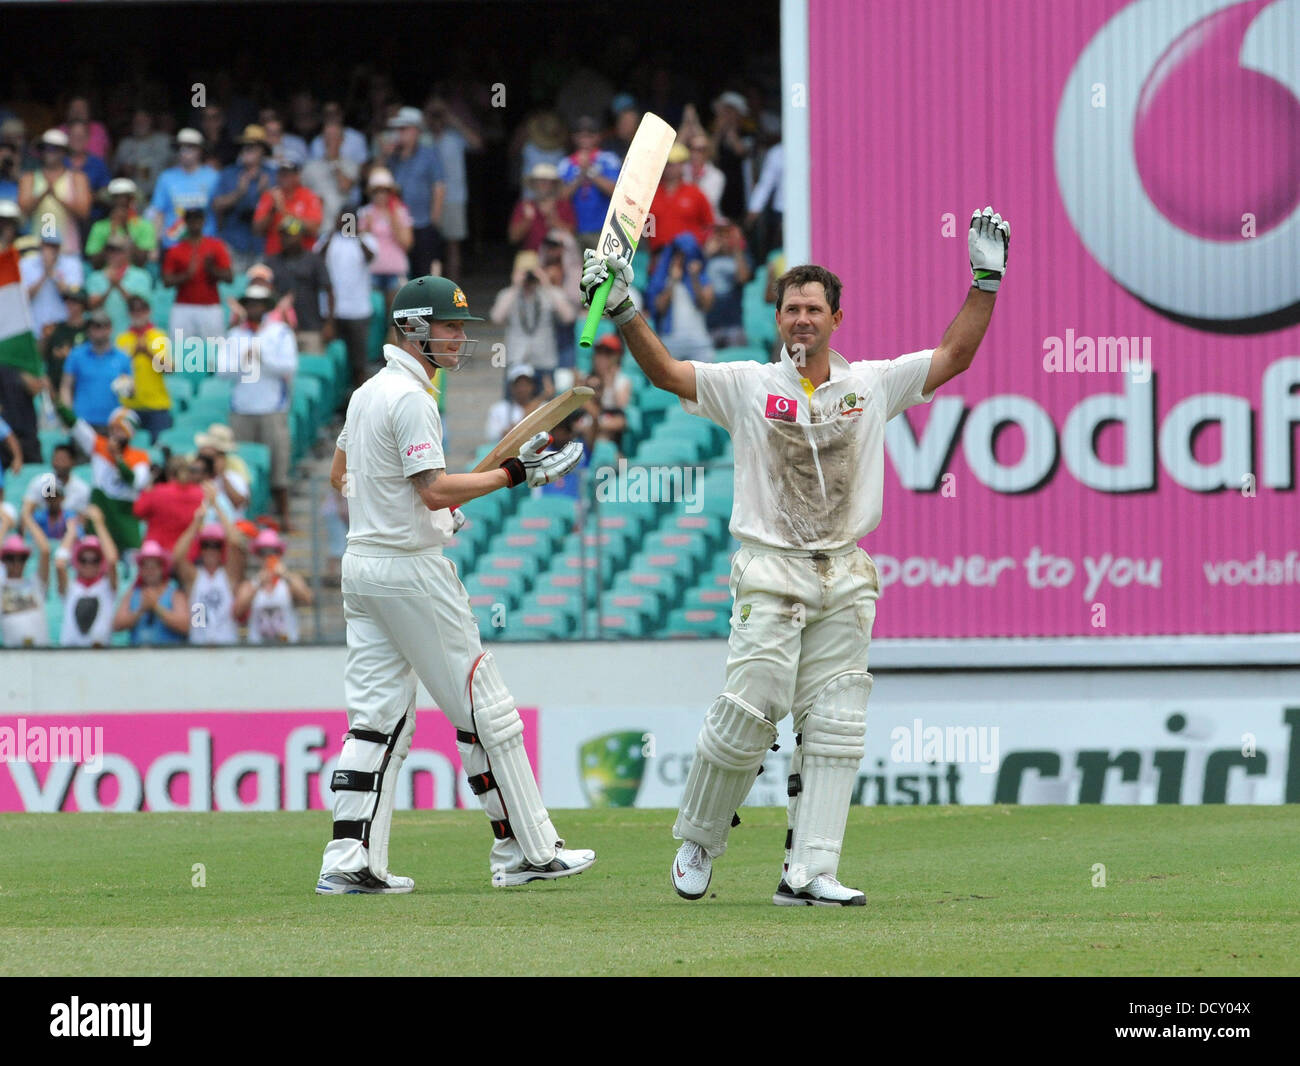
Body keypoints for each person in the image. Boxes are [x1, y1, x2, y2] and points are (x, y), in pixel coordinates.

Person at [580, 206, 1010, 905]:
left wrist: (985, 282)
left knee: (836, 725)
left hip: (844, 569)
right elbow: (664, 374)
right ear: (777, 318)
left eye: (813, 308)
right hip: (769, 565)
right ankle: (700, 837)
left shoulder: (871, 384)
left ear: (837, 318)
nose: (801, 319)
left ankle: (809, 871)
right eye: (791, 309)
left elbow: (954, 356)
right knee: (752, 707)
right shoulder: (749, 386)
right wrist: (625, 305)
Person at [317, 273, 593, 894]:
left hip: (361, 567)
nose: (459, 339)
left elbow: (343, 476)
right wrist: (512, 476)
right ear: (414, 328)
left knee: (377, 718)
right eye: (449, 327)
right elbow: (433, 485)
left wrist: (423, 511)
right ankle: (527, 850)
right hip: (411, 571)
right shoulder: (412, 398)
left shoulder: (366, 394)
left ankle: (348, 860)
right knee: (484, 706)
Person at [219, 283, 296, 530]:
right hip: (242, 409)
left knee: (278, 467)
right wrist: (244, 361)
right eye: (250, 303)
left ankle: (284, 518)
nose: (254, 308)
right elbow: (222, 372)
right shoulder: (234, 335)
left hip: (272, 408)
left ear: (266, 306)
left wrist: (262, 357)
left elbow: (289, 367)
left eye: (258, 303)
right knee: (242, 468)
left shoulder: (281, 331)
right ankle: (244, 521)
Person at [54, 402, 151, 554]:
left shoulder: (140, 457)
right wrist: (57, 402)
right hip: (100, 517)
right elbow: (76, 425)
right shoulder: (98, 445)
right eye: (114, 428)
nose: (116, 433)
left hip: (125, 521)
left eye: (121, 429)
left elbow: (136, 482)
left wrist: (118, 459)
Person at [489, 250, 574, 387]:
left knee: (546, 406)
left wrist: (546, 284)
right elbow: (496, 317)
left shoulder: (550, 293)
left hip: (544, 361)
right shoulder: (508, 294)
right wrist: (515, 287)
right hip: (516, 360)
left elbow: (568, 317)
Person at [172, 493, 244, 645]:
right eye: (206, 546)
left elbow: (235, 542)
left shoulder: (228, 576)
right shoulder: (195, 577)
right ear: (201, 550)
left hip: (226, 646)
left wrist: (217, 507)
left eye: (216, 546)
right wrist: (196, 523)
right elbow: (177, 556)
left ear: (221, 551)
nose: (210, 551)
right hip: (198, 648)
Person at [317, 208, 377, 390]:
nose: (346, 222)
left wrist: (356, 235)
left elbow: (370, 257)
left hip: (358, 311)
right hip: (331, 312)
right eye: (343, 219)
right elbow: (317, 258)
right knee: (335, 362)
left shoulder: (366, 240)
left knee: (358, 362)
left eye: (349, 219)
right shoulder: (328, 240)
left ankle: (361, 401)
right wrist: (332, 232)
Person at [423, 96, 480, 281]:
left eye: (440, 115)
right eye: (434, 115)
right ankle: (431, 286)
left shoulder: (455, 137)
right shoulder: (424, 138)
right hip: (427, 199)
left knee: (452, 245)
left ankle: (453, 288)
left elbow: (478, 144)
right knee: (429, 245)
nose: (437, 119)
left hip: (454, 197)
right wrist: (426, 118)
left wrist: (454, 120)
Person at [161, 206, 233, 354]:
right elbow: (167, 281)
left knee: (216, 350)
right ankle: (179, 376)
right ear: (185, 222)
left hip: (210, 306)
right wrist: (186, 275)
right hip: (183, 306)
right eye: (191, 219)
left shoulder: (215, 246)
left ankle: (214, 377)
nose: (195, 223)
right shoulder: (176, 249)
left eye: (198, 219)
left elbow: (229, 277)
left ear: (203, 221)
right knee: (178, 349)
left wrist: (211, 269)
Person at [384, 107, 445, 277]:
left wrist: (434, 221)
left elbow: (439, 187)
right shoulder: (392, 157)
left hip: (423, 223)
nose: (399, 134)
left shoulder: (429, 155)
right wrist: (384, 156)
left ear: (416, 131)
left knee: (424, 272)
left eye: (403, 129)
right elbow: (377, 182)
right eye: (398, 129)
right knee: (401, 271)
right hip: (397, 225)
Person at [18, 130, 91, 256]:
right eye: (46, 148)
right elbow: (23, 210)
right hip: (35, 251)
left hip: (67, 250)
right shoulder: (29, 178)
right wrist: (44, 193)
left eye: (55, 149)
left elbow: (84, 212)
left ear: (63, 152)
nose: (50, 152)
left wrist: (57, 197)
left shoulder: (77, 178)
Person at [265, 217, 333, 353]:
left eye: (290, 236)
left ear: (301, 236)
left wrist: (329, 323)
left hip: (310, 328)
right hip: (280, 329)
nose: (286, 239)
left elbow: (328, 292)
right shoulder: (271, 262)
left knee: (312, 369)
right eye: (283, 235)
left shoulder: (314, 261)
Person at [212, 125, 274, 273]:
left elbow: (281, 208)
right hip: (234, 242)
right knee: (233, 290)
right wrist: (238, 193)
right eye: (244, 146)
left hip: (262, 244)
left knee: (259, 291)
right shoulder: (229, 173)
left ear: (262, 150)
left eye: (252, 146)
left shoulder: (272, 175)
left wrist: (265, 194)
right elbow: (216, 205)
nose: (247, 149)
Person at [55, 505, 119, 647]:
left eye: (95, 559)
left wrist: (99, 523)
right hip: (70, 655)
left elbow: (112, 560)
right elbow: (59, 564)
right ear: (77, 561)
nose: (89, 564)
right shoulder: (70, 587)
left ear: (100, 562)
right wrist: (71, 533)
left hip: (100, 655)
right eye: (84, 560)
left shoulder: (107, 587)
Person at [645, 233, 715, 363]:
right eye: (679, 255)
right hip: (671, 340)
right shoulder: (662, 279)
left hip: (699, 341)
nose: (683, 259)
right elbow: (659, 308)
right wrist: (672, 281)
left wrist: (694, 278)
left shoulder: (702, 278)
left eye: (686, 255)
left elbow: (706, 305)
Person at [148, 128, 220, 249]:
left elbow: (219, 211)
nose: (185, 152)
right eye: (181, 148)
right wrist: (154, 245)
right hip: (173, 244)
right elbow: (158, 212)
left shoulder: (213, 176)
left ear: (200, 150)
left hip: (205, 244)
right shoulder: (166, 177)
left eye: (190, 147)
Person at [236, 526, 310, 644]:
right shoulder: (251, 584)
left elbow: (307, 599)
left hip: (286, 650)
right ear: (258, 556)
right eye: (263, 552)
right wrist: (258, 582)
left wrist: (285, 575)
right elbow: (237, 611)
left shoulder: (288, 582)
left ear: (279, 554)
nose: (268, 557)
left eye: (272, 552)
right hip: (258, 653)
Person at [59, 310, 131, 431]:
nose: (99, 331)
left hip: (112, 422)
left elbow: (129, 391)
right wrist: (69, 415)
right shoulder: (76, 355)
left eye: (103, 326)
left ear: (110, 329)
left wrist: (127, 387)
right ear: (89, 330)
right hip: (83, 421)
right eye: (95, 327)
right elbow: (66, 386)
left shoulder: (122, 358)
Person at [557, 116, 620, 251]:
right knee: (576, 271)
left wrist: (590, 171)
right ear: (574, 138)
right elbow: (561, 197)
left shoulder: (608, 159)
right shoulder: (566, 163)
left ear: (598, 137)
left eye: (590, 136)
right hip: (575, 229)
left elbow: (616, 191)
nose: (585, 140)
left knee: (601, 270)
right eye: (581, 136)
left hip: (604, 229)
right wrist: (580, 175)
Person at [116, 293, 172, 442]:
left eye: (142, 310)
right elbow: (116, 371)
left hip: (156, 405)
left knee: (160, 448)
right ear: (129, 314)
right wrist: (135, 352)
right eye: (134, 310)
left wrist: (148, 352)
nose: (138, 314)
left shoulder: (159, 336)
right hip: (129, 405)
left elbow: (168, 369)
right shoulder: (122, 339)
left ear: (149, 311)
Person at [114, 538, 189, 645]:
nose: (150, 571)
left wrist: (157, 608)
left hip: (169, 658)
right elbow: (116, 625)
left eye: (154, 567)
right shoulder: (132, 594)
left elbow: (186, 626)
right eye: (146, 567)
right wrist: (140, 610)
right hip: (138, 656)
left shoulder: (175, 595)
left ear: (162, 568)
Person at [357, 167, 413, 300]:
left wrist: (393, 219)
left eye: (385, 191)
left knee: (395, 315)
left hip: (396, 270)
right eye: (377, 191)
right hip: (372, 271)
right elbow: (357, 245)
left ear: (391, 192)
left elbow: (407, 244)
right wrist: (367, 229)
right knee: (377, 314)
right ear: (371, 193)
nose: (381, 195)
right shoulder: (364, 213)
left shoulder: (400, 212)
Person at [647, 144, 714, 253]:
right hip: (658, 254)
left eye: (675, 164)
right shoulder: (650, 193)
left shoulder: (695, 193)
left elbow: (709, 225)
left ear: (682, 165)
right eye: (667, 164)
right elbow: (644, 228)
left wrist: (700, 250)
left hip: (687, 255)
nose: (670, 168)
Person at [133, 452, 204, 553]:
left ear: (168, 473)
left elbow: (138, 511)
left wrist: (149, 486)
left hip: (158, 554)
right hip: (187, 552)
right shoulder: (199, 493)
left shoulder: (157, 491)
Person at [252, 156, 323, 257]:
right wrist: (272, 211)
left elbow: (313, 229)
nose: (284, 178)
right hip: (275, 255)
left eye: (288, 175)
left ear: (297, 176)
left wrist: (283, 210)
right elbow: (257, 229)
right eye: (281, 174)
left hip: (303, 257)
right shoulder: (270, 196)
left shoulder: (309, 196)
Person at [21, 231, 84, 341]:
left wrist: (53, 274)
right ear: (41, 246)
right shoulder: (26, 264)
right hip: (34, 325)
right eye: (48, 246)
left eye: (54, 247)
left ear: (59, 248)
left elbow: (75, 296)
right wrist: (44, 275)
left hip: (62, 326)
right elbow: (23, 298)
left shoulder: (72, 264)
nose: (51, 250)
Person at [86, 235, 153, 337]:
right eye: (110, 251)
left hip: (132, 337)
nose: (113, 254)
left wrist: (118, 286)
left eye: (118, 251)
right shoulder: (95, 277)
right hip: (103, 337)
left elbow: (140, 307)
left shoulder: (141, 276)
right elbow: (92, 306)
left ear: (128, 253)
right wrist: (110, 287)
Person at [702, 221, 753, 349]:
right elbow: (694, 276)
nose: (723, 239)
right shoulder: (704, 259)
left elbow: (743, 277)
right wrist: (706, 254)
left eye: (727, 235)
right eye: (720, 234)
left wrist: (737, 247)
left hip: (734, 325)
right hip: (709, 326)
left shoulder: (742, 257)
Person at [301, 119, 359, 231]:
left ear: (342, 140)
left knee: (348, 245)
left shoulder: (351, 165)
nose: (330, 140)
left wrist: (334, 162)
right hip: (319, 223)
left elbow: (345, 187)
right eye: (327, 136)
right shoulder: (310, 167)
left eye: (334, 136)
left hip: (346, 222)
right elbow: (302, 194)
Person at [84, 178, 156, 268]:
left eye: (125, 197)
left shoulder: (145, 226)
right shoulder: (99, 227)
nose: (121, 201)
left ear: (132, 200)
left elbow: (141, 261)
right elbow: (95, 263)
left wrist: (125, 229)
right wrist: (112, 232)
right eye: (116, 198)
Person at [507, 164, 575, 252]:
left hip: (559, 257)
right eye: (539, 181)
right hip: (532, 255)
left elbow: (573, 236)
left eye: (547, 181)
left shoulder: (564, 205)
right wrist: (527, 220)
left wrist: (553, 219)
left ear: (554, 184)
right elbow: (513, 238)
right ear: (533, 184)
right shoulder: (524, 206)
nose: (543, 184)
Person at [113, 109, 172, 203]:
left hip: (161, 196)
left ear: (151, 121)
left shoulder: (165, 141)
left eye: (144, 120)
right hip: (133, 199)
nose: (140, 124)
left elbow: (177, 167)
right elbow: (115, 173)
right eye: (137, 121)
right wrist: (123, 171)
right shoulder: (125, 144)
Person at [0, 533, 49, 647]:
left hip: (42, 653)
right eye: (10, 558)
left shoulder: (36, 583)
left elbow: (45, 550)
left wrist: (27, 518)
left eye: (21, 558)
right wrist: (6, 523)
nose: (16, 563)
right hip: (13, 655)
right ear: (3, 560)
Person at [484, 363, 539, 443]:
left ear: (532, 386)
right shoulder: (498, 409)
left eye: (526, 384)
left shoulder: (543, 405)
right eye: (519, 385)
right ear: (512, 387)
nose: (522, 389)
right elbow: (492, 436)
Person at [685, 135, 725, 216]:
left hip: (707, 220)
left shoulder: (717, 176)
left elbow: (709, 203)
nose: (695, 153)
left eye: (701, 150)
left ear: (708, 153)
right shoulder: (680, 171)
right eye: (692, 149)